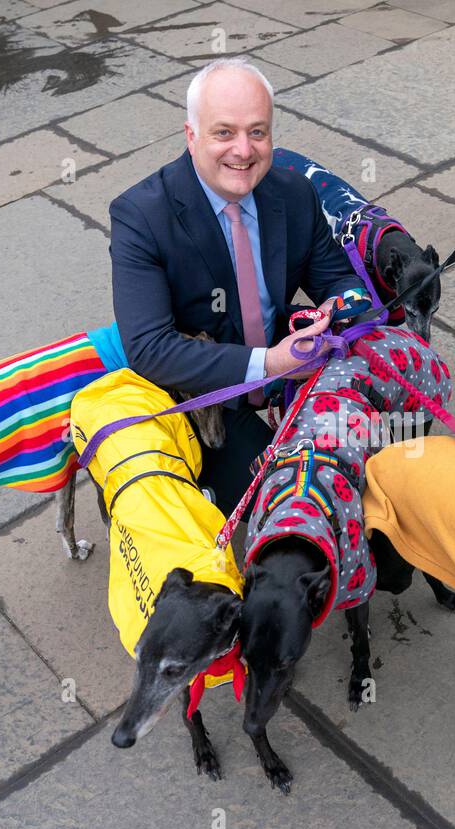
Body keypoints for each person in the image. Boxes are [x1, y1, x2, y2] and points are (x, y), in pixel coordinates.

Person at [108, 57, 366, 513]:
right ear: (192, 136)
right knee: (292, 500)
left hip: (294, 368)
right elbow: (150, 349)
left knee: (370, 471)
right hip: (208, 403)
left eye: (258, 132)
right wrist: (269, 363)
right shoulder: (140, 216)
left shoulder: (294, 193)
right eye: (223, 132)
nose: (243, 150)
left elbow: (341, 281)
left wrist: (333, 313)